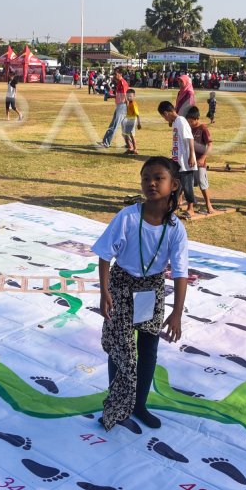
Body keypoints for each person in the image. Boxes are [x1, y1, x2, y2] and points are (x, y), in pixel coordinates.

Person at [95, 156, 189, 431]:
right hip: (121, 287)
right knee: (120, 349)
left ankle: (139, 405)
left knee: (148, 348)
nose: (151, 183)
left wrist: (177, 313)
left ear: (173, 185)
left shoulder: (175, 229)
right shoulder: (127, 217)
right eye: (146, 177)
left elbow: (180, 271)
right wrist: (104, 292)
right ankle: (118, 405)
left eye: (158, 178)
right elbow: (104, 255)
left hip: (151, 289)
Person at [157, 101, 196, 218]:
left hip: (186, 161)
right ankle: (172, 206)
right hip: (177, 160)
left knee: (187, 184)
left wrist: (191, 155)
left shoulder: (181, 121)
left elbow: (190, 139)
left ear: (166, 113)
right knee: (175, 184)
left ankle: (191, 208)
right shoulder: (175, 123)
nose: (164, 119)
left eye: (163, 117)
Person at [186, 107, 216, 214]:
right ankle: (189, 204)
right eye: (188, 121)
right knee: (188, 183)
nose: (190, 123)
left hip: (200, 162)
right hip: (189, 160)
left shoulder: (203, 128)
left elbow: (210, 145)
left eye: (191, 121)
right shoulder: (188, 128)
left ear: (197, 118)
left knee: (202, 183)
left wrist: (203, 158)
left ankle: (208, 204)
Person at [98, 67, 128, 147]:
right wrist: (110, 96)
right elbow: (119, 95)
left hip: (122, 106)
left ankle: (106, 143)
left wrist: (127, 107)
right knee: (124, 127)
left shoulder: (122, 83)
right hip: (120, 106)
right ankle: (129, 144)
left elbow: (125, 96)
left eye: (115, 74)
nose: (114, 76)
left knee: (113, 125)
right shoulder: (119, 83)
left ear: (120, 74)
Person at [122, 88, 142, 155]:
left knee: (131, 135)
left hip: (132, 120)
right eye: (127, 96)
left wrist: (139, 123)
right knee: (126, 135)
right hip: (128, 120)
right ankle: (131, 148)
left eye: (130, 96)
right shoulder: (129, 103)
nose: (128, 97)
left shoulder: (133, 104)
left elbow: (138, 114)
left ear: (134, 96)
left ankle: (135, 149)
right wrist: (126, 104)